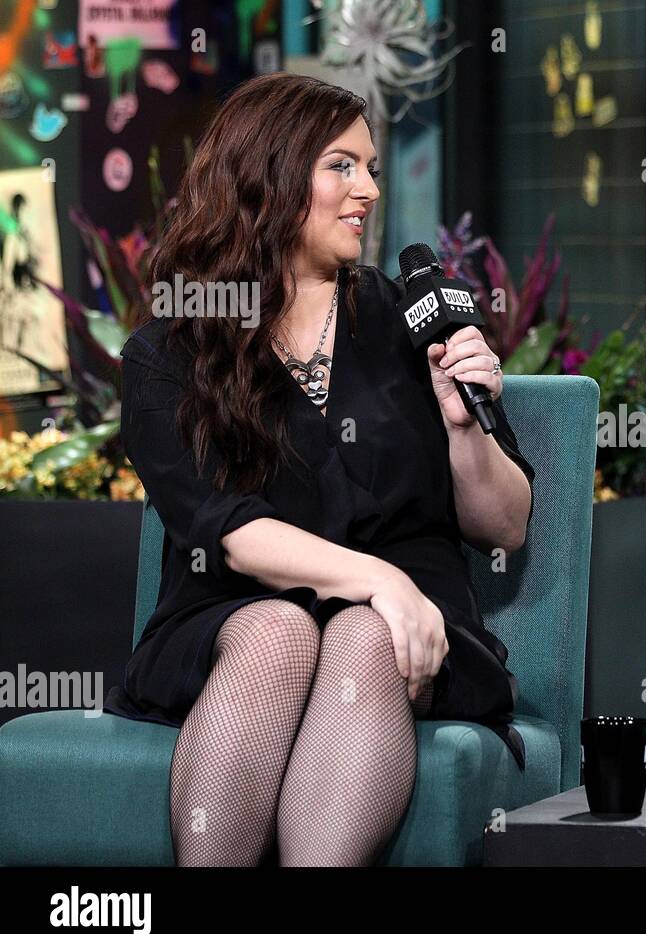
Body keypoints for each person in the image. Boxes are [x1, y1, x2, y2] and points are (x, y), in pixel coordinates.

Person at [102, 73, 536, 867]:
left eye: (370, 168)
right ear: (267, 172)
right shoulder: (170, 352)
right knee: (279, 631)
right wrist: (377, 577)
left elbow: (503, 524)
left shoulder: (411, 322)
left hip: (405, 630)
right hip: (238, 616)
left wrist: (460, 425)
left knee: (364, 636)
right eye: (341, 166)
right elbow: (225, 531)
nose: (367, 189)